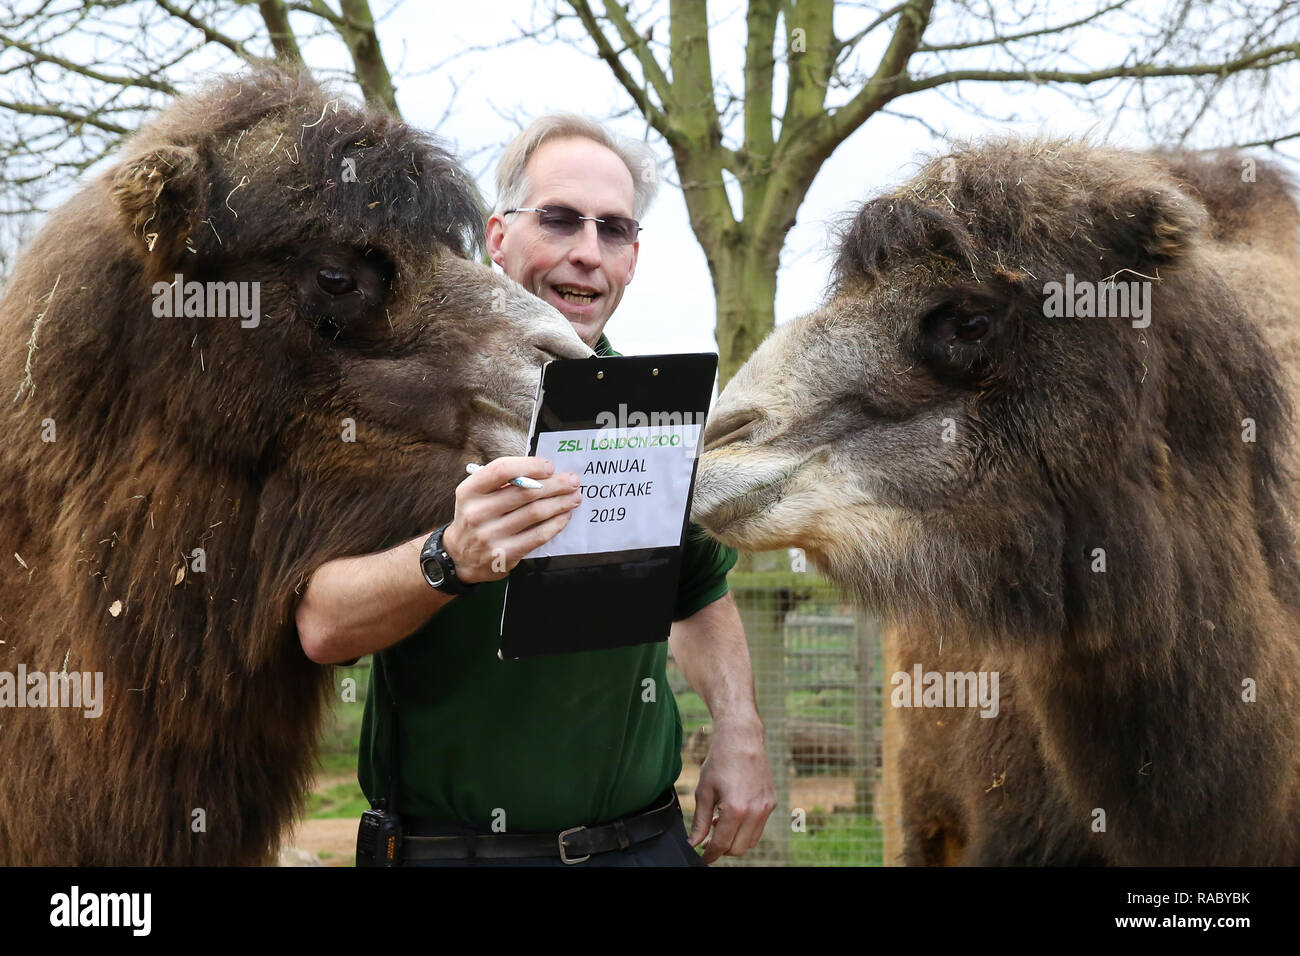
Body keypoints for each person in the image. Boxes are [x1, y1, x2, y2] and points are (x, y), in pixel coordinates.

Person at [296, 114, 775, 866]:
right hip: (453, 853)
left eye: (613, 229)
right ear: (496, 237)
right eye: (558, 220)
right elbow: (321, 625)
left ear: (633, 257)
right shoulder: (400, 402)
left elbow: (699, 596)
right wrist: (447, 559)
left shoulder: (649, 410)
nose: (587, 252)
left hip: (643, 845)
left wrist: (741, 731)